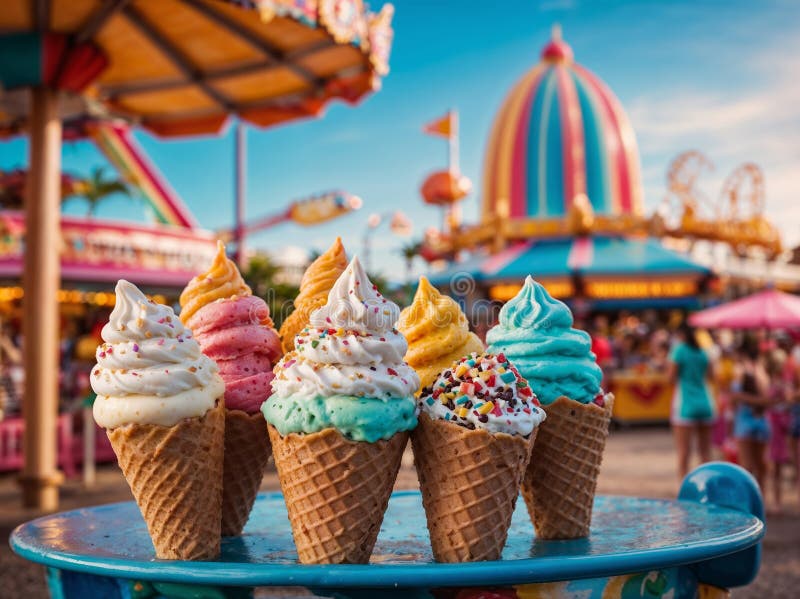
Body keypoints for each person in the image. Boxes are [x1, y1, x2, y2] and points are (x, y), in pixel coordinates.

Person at [668, 323, 716, 480]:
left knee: (684, 452)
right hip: (705, 401)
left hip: (685, 404)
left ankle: (683, 486)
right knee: (705, 452)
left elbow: (671, 378)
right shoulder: (703, 351)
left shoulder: (679, 350)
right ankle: (707, 485)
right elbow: (712, 375)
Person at [731, 337, 771, 491]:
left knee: (746, 467)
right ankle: (761, 500)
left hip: (744, 421)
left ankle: (749, 502)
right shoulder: (762, 370)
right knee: (761, 465)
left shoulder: (740, 370)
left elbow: (735, 398)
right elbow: (766, 397)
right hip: (761, 421)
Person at [766, 351, 791, 513]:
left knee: (775, 466)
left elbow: (786, 400)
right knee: (774, 467)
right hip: (775, 426)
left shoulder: (778, 383)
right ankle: (776, 501)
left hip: (776, 426)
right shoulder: (775, 382)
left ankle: (776, 502)